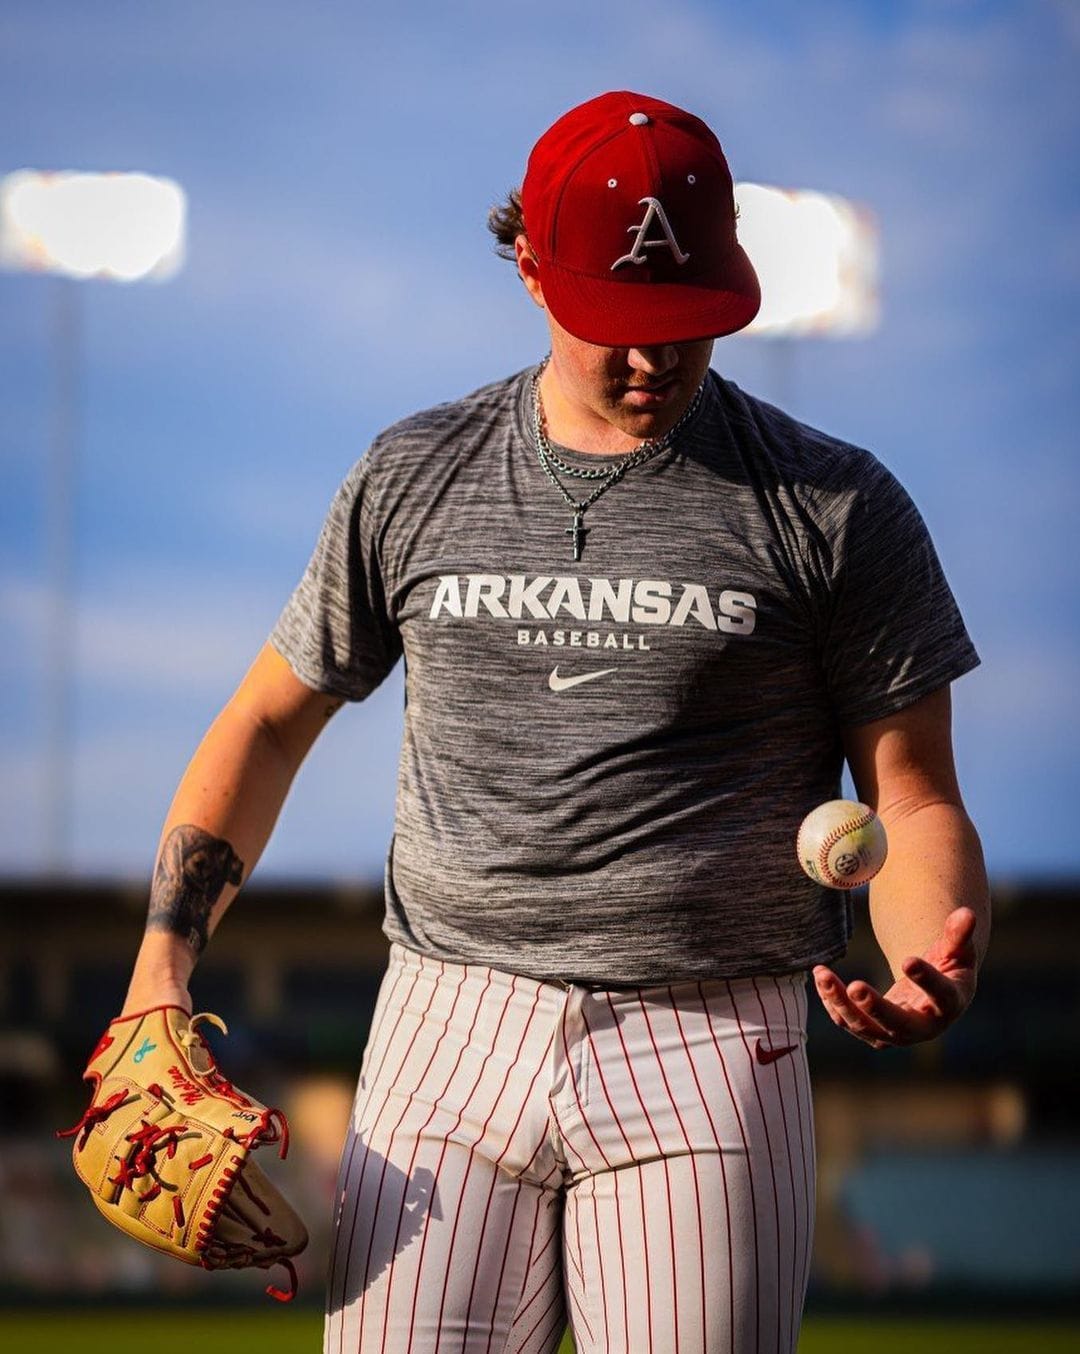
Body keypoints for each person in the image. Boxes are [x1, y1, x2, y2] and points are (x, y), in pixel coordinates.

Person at [120, 91, 990, 1353]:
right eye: (618, 327)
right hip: (442, 1030)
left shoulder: (836, 504)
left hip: (710, 1042)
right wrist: (163, 962)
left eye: (686, 324)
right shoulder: (413, 474)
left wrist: (925, 959)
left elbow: (911, 798)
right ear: (530, 267)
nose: (656, 361)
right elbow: (265, 722)